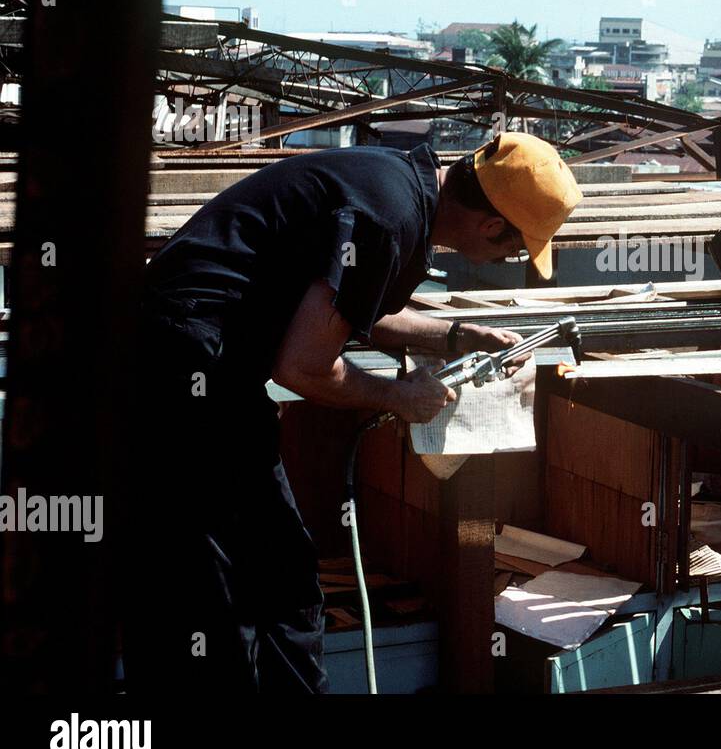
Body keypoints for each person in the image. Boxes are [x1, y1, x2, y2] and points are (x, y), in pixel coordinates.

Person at [121, 131, 581, 693]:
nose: (510, 258)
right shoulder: (387, 218)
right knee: (216, 596)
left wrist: (454, 335)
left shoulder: (396, 188)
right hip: (179, 373)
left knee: (276, 582)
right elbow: (304, 368)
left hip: (198, 369)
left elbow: (348, 304)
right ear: (491, 226)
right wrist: (397, 396)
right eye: (515, 245)